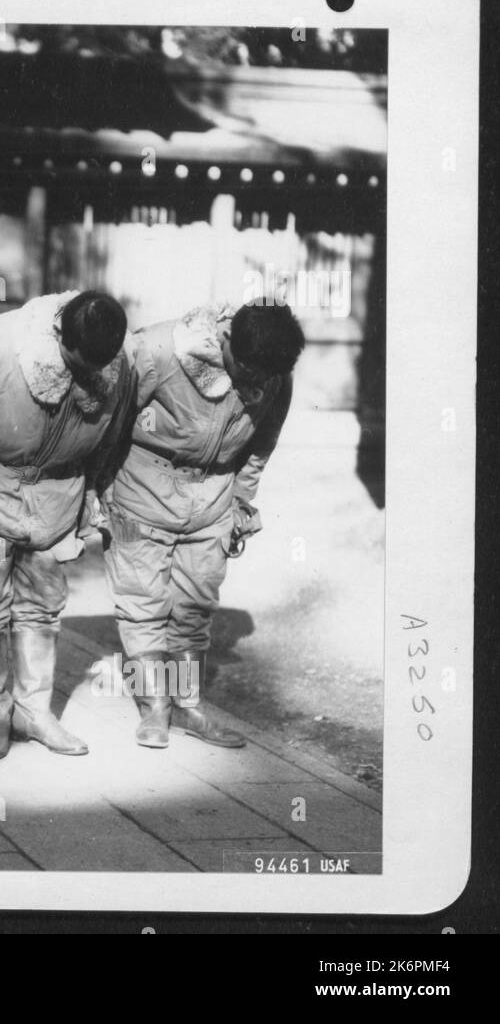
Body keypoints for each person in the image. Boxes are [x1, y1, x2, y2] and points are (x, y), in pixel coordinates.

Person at [102, 299, 305, 749]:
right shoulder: (157, 350)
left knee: (195, 606)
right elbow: (110, 422)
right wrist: (101, 492)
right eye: (246, 371)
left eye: (263, 378)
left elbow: (261, 445)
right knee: (142, 604)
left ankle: (189, 707)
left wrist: (240, 502)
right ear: (226, 339)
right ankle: (155, 707)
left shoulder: (272, 374)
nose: (254, 383)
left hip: (213, 500)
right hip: (142, 491)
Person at [0, 291, 135, 760]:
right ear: (58, 334)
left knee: (42, 608)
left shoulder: (118, 363)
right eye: (76, 362)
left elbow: (110, 440)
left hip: (57, 503)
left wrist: (92, 499)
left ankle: (34, 712)